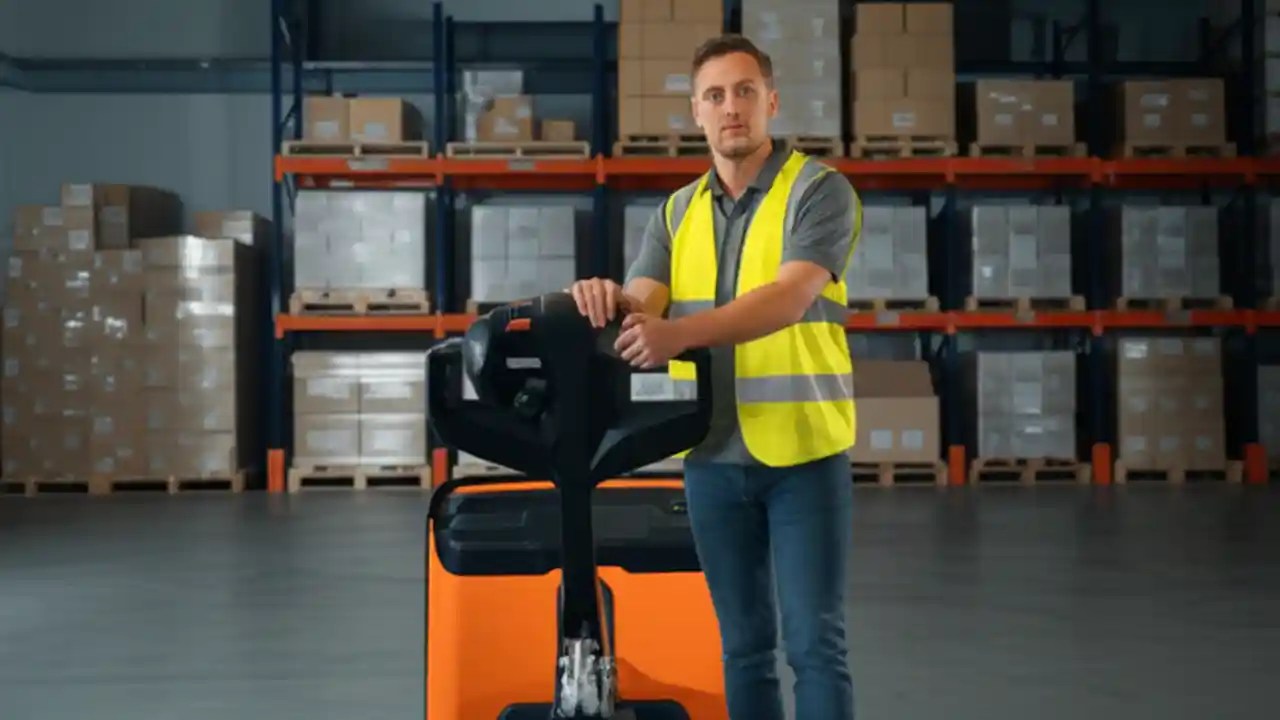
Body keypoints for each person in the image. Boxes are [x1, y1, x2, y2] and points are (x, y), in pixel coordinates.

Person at [569, 33, 861, 720]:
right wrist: (604, 298)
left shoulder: (818, 192)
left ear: (771, 101)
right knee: (743, 646)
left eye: (745, 91)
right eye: (716, 95)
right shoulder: (676, 212)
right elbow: (643, 302)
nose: (732, 107)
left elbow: (790, 297)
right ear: (696, 112)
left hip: (804, 455)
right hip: (710, 458)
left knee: (816, 644)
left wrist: (675, 336)